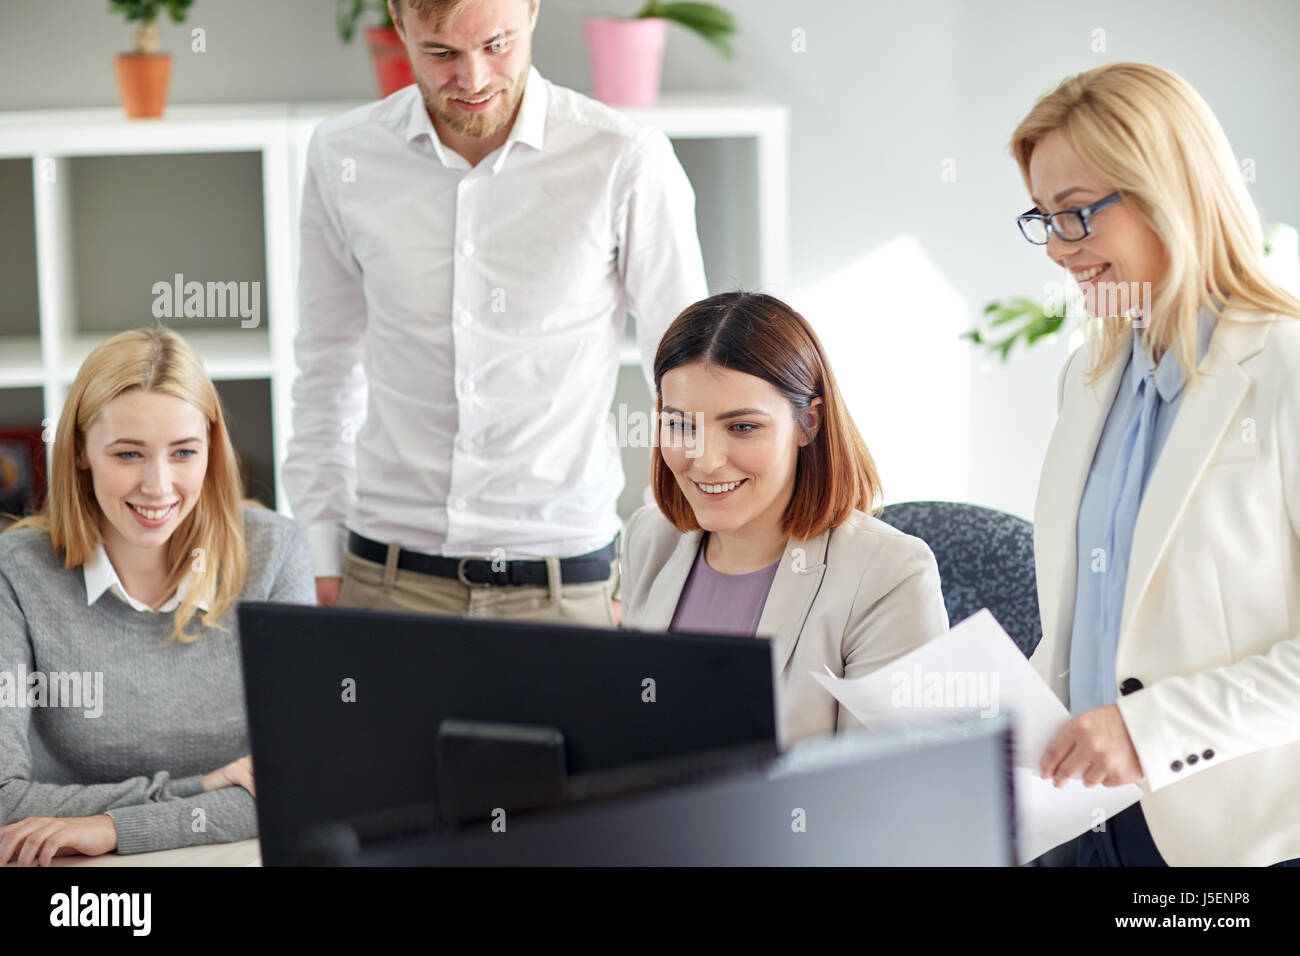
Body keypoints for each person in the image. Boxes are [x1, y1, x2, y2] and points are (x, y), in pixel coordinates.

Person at [284, 0, 707, 625]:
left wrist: (662, 561)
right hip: (383, 578)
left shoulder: (624, 158)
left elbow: (691, 384)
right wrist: (320, 549)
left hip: (567, 583)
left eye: (497, 44)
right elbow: (326, 367)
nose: (475, 79)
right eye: (442, 54)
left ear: (533, 10)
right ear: (399, 23)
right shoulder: (342, 155)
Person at [1013, 62, 1300, 866]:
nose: (1061, 252)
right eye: (1044, 219)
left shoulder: (1287, 369)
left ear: (1168, 190)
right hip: (1089, 822)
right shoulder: (1089, 378)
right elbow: (1094, 621)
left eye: (1077, 215)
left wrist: (1149, 731)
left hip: (1242, 840)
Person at [0, 328, 314, 865]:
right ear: (79, 451)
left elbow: (305, 786)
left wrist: (110, 828)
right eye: (128, 454)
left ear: (211, 449)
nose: (158, 485)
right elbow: (7, 803)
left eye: (184, 452)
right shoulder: (17, 574)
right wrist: (204, 786)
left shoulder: (275, 554)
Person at [619, 292, 949, 746]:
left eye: (742, 427)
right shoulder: (648, 538)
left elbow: (886, 795)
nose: (706, 460)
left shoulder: (888, 574)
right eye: (682, 425)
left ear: (807, 423)